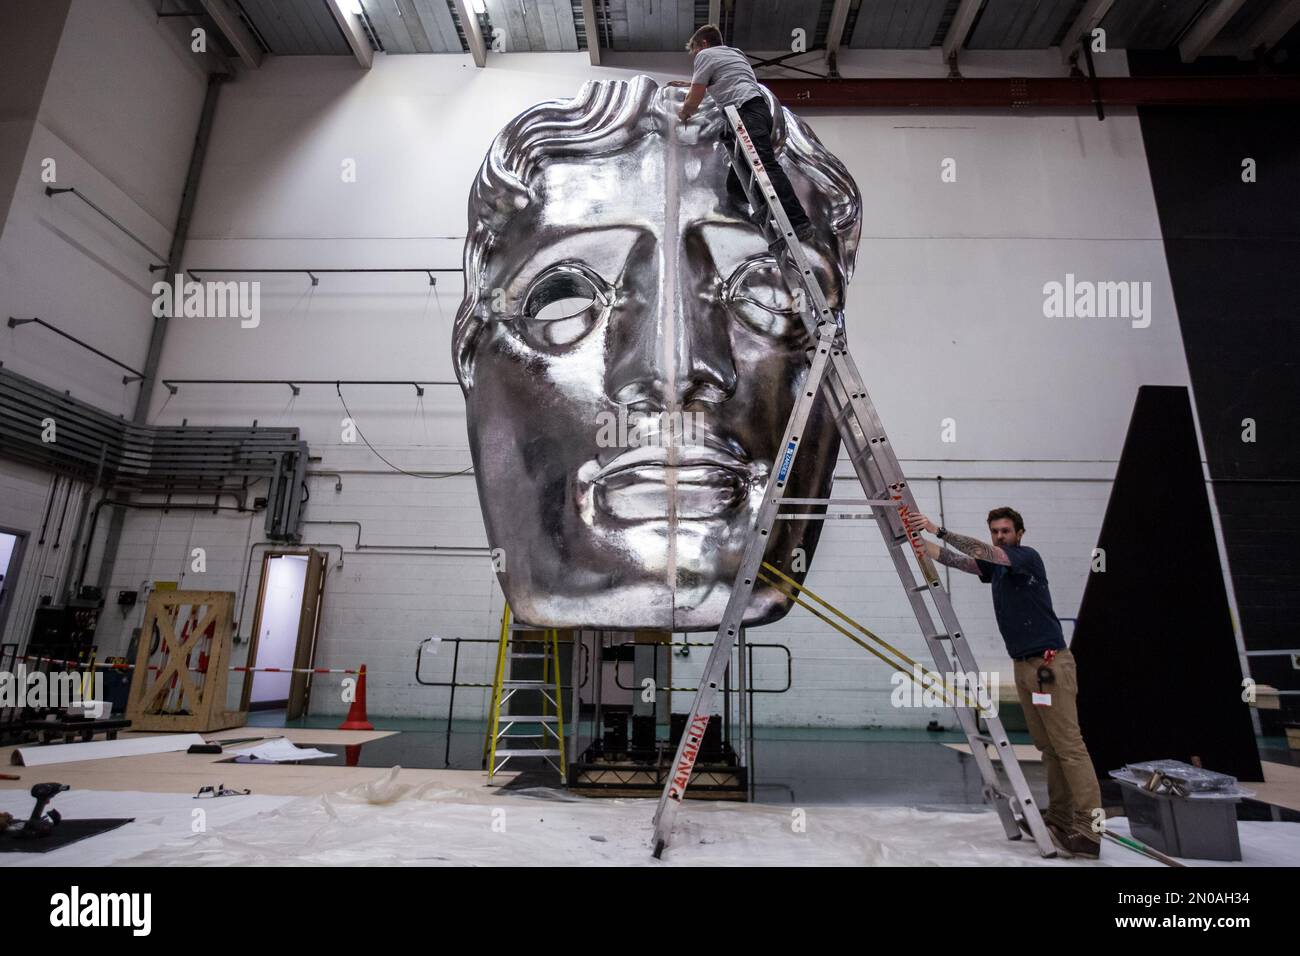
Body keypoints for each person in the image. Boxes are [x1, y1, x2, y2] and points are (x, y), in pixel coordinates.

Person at [903, 506, 1103, 859]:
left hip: (1049, 664)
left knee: (1070, 747)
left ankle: (1089, 829)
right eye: (995, 530)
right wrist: (916, 540)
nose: (1000, 536)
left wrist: (938, 529)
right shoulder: (997, 567)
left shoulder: (1025, 557)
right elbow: (959, 560)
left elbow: (984, 553)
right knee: (1048, 747)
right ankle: (1058, 818)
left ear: (1019, 533)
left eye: (1006, 531)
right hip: (1024, 665)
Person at [669, 24, 815, 243]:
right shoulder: (734, 54)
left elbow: (696, 96)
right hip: (756, 110)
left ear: (703, 44)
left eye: (696, 51)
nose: (696, 58)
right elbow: (722, 80)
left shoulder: (706, 55)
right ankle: (766, 207)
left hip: (745, 111)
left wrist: (683, 114)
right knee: (737, 186)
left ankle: (798, 221)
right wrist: (688, 85)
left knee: (764, 164)